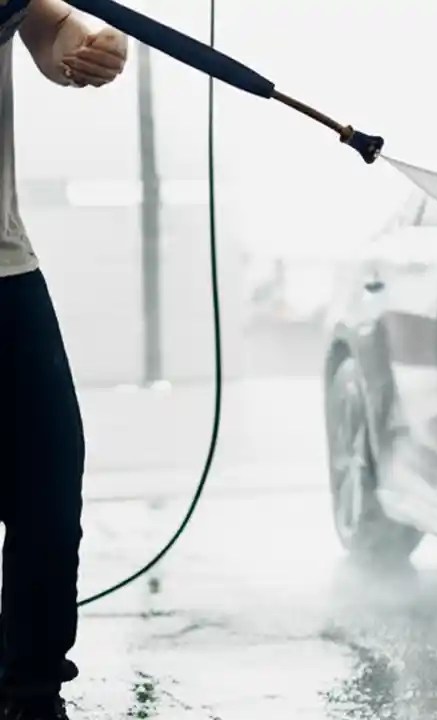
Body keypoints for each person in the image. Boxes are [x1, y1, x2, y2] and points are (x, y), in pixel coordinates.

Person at [0, 2, 128, 718]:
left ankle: (32, 689)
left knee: (48, 489)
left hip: (4, 267)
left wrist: (86, 44)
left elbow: (44, 23)